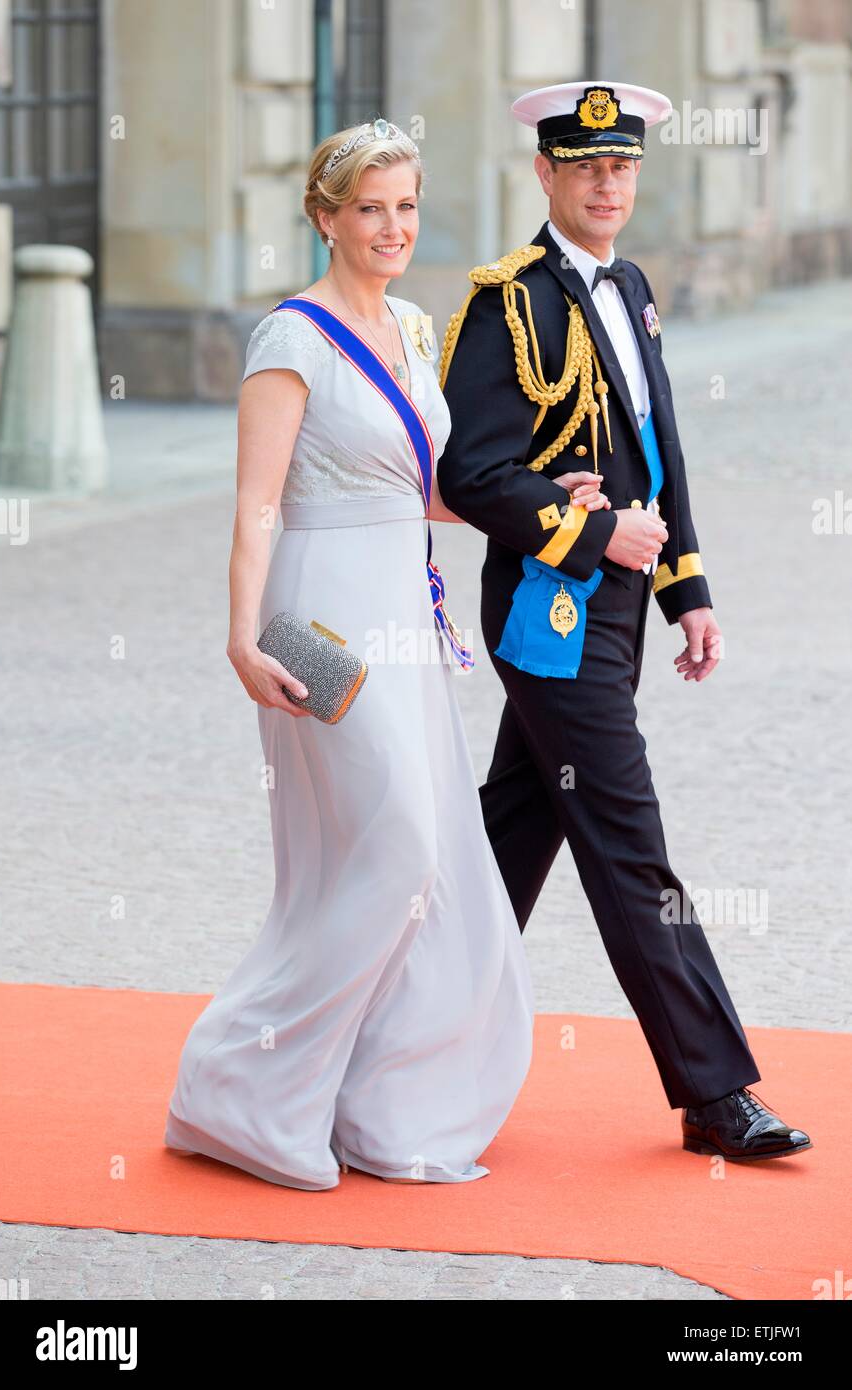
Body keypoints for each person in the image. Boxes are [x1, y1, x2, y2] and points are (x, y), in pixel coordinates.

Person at [162, 118, 570, 1189]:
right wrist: (241, 635)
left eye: (405, 205)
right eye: (368, 208)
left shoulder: (413, 328)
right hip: (314, 618)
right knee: (386, 841)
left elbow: (425, 486)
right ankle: (236, 1087)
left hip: (404, 611)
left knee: (421, 855)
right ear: (325, 217)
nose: (391, 227)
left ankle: (382, 1105)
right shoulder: (288, 340)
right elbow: (255, 505)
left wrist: (535, 504)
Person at [435, 82, 811, 1162]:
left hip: (617, 607)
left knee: (512, 828)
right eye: (585, 165)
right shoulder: (507, 301)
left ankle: (397, 1030)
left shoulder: (632, 283)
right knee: (625, 838)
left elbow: (659, 453)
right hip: (549, 603)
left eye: (622, 166)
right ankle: (714, 1091)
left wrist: (685, 590)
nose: (606, 184)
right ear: (545, 173)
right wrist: (587, 536)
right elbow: (471, 473)